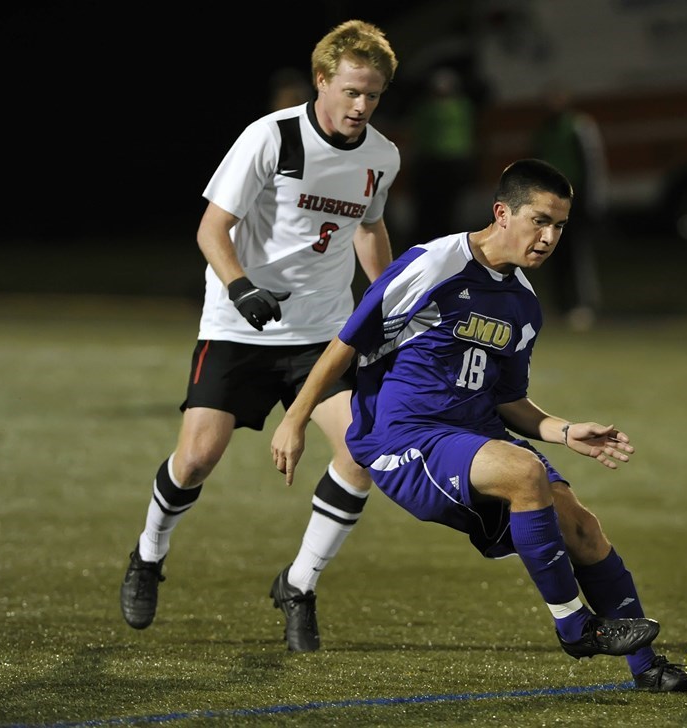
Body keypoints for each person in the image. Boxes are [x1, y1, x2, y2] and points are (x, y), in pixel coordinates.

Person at [271, 159, 687, 691]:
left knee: (584, 531)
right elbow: (346, 344)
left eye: (560, 226)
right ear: (502, 212)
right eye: (540, 221)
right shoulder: (432, 264)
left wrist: (565, 431)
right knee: (523, 473)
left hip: (475, 437)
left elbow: (508, 399)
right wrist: (296, 416)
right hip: (406, 439)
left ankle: (648, 669)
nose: (549, 237)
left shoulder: (523, 302)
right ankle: (573, 625)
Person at [119, 20, 400, 655]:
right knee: (195, 459)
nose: (362, 107)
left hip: (323, 334)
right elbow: (212, 228)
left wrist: (386, 300)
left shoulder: (382, 156)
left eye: (374, 95)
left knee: (362, 456)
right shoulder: (270, 138)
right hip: (240, 325)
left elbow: (368, 229)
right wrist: (241, 287)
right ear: (322, 81)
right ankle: (148, 553)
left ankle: (299, 584)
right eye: (353, 91)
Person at [530, 91, 607, 331]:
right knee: (550, 252)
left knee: (577, 252)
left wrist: (592, 199)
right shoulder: (543, 130)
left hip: (575, 200)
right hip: (548, 202)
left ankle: (583, 304)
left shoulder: (579, 126)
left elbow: (592, 164)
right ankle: (560, 304)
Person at [407, 66, 478, 242]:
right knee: (442, 204)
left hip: (444, 161)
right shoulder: (463, 106)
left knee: (441, 204)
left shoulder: (430, 107)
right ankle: (441, 237)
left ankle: (436, 237)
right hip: (442, 161)